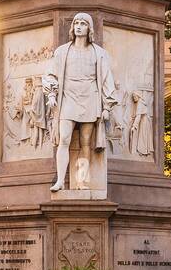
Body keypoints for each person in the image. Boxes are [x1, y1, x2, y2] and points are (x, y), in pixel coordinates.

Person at [42, 13, 118, 192]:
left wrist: (107, 106)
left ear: (89, 28)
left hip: (90, 98)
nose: (78, 26)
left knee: (86, 143)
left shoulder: (99, 54)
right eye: (76, 23)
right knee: (64, 139)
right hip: (68, 98)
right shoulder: (62, 52)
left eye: (83, 23)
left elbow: (107, 79)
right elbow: (50, 75)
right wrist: (51, 94)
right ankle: (60, 180)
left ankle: (82, 181)